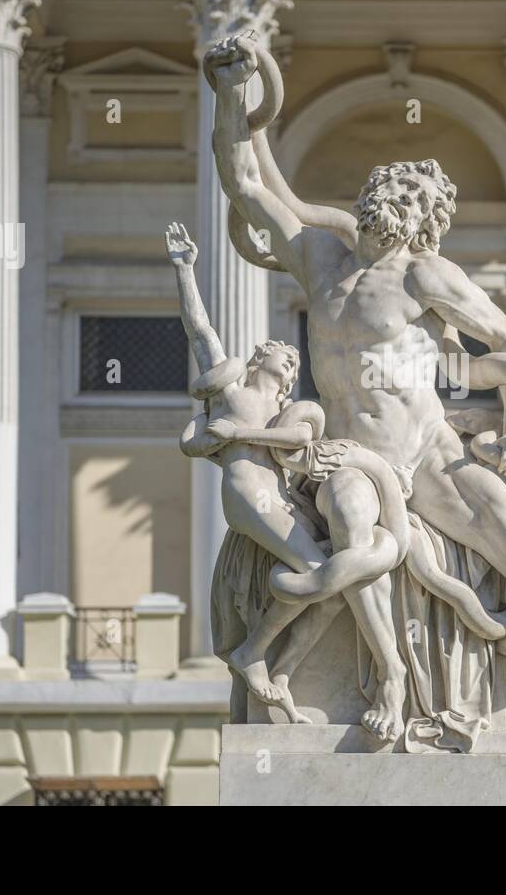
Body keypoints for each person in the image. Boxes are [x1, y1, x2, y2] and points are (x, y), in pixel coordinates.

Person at [204, 32, 506, 790]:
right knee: (357, 534)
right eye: (391, 190)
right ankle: (381, 681)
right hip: (351, 456)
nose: (396, 201)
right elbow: (245, 183)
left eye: (415, 199)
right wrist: (231, 94)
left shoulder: (427, 273)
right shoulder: (318, 259)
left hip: (429, 455)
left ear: (427, 220)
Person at [167, 221, 411, 742]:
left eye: (294, 360)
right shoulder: (230, 390)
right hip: (248, 494)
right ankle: (255, 655)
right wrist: (185, 268)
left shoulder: (289, 411)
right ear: (259, 360)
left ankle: (271, 662)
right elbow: (200, 332)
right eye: (284, 354)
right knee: (324, 572)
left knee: (328, 575)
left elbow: (299, 439)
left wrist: (240, 433)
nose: (292, 359)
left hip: (272, 494)